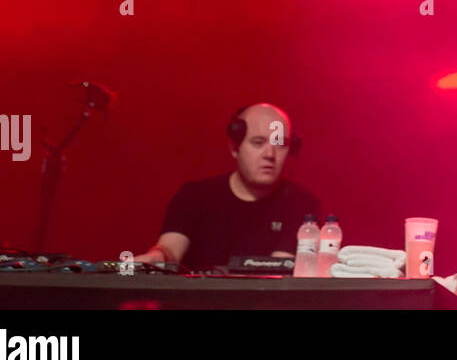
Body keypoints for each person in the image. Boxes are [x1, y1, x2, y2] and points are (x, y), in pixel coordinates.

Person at [134, 103, 320, 271]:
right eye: (258, 142)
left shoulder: (300, 204)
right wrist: (157, 256)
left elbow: (278, 270)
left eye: (280, 144)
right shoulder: (194, 196)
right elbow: (170, 249)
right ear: (234, 147)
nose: (270, 154)